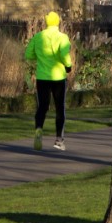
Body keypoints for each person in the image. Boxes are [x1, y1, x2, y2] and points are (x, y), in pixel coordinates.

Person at [25, 11, 72, 151]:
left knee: (42, 107)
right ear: (57, 22)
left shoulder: (38, 37)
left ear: (45, 22)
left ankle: (39, 130)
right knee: (60, 108)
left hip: (42, 77)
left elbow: (28, 54)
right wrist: (68, 66)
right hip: (58, 77)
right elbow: (64, 54)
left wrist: (40, 58)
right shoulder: (62, 37)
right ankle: (59, 140)